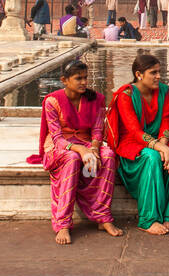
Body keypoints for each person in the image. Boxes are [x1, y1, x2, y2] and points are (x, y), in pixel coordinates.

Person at [27, 55, 122, 244]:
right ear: (64, 80)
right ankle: (62, 223)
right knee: (72, 158)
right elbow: (56, 137)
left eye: (85, 77)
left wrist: (94, 148)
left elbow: (97, 130)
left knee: (109, 155)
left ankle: (102, 216)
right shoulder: (52, 101)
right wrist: (80, 150)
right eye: (78, 78)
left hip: (87, 143)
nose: (84, 82)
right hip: (60, 146)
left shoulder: (96, 99)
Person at [108, 52, 169, 233]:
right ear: (139, 74)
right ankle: (148, 219)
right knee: (151, 157)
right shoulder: (126, 94)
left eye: (159, 72)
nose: (158, 76)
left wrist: (164, 144)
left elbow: (166, 120)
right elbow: (134, 131)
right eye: (153, 73)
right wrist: (162, 148)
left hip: (156, 142)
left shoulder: (164, 91)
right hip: (131, 146)